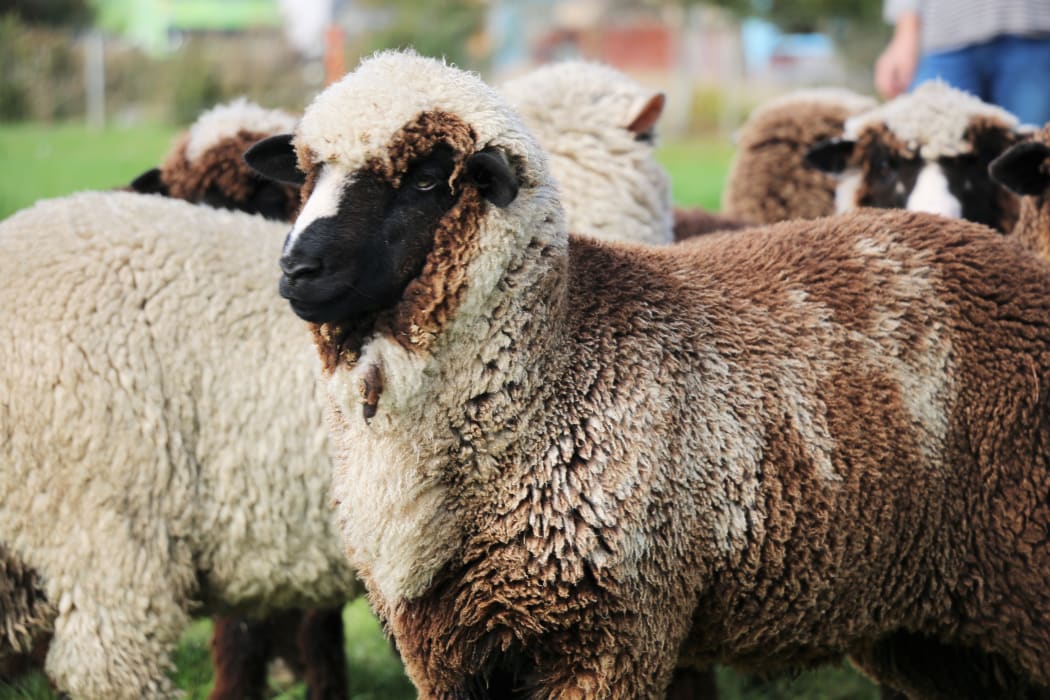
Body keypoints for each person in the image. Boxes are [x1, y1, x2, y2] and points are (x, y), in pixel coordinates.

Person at [875, 0, 1050, 125]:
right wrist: (905, 34)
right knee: (926, 147)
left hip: (1034, 33)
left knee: (1032, 156)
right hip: (946, 42)